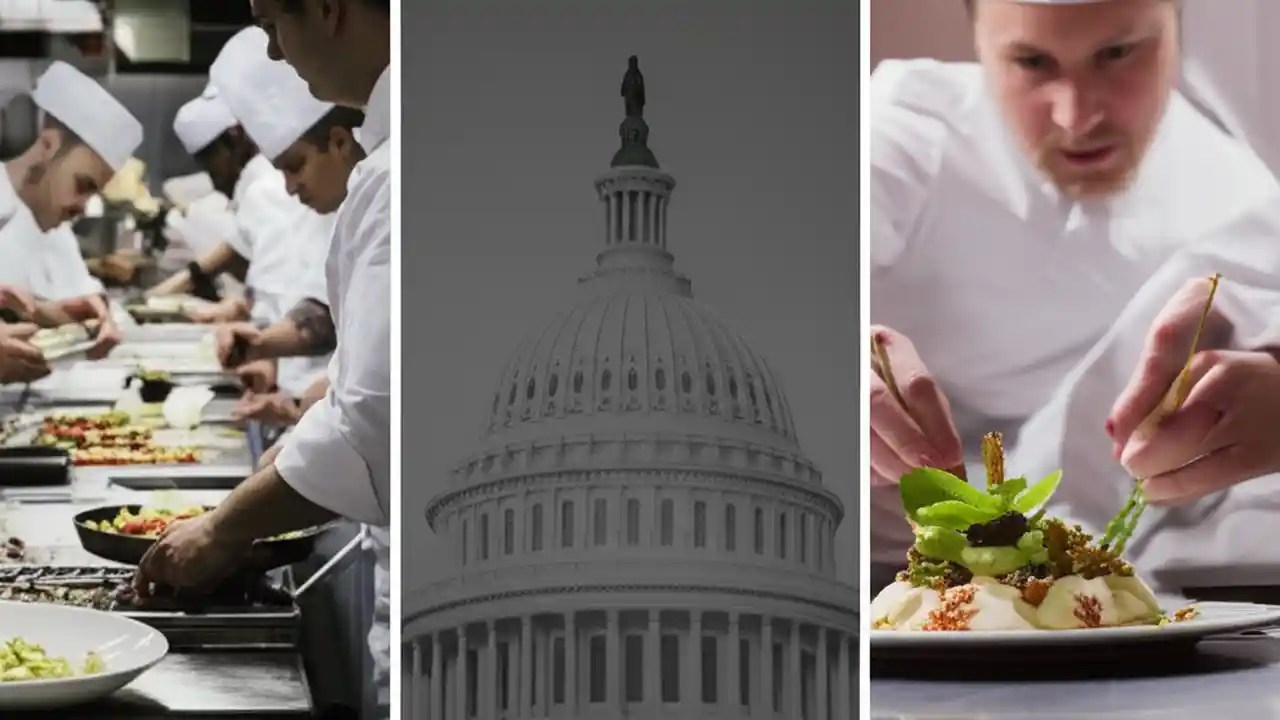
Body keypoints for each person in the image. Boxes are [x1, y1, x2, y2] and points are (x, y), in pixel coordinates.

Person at [869, 0, 1280, 590]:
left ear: (1179, 23)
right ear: (978, 44)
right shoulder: (906, 130)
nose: (1077, 116)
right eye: (1032, 62)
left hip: (1119, 578)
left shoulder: (1244, 185)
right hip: (887, 582)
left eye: (1117, 54)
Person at [134, 0, 391, 708]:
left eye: (274, 22)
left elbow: (375, 419)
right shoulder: (393, 159)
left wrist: (223, 529)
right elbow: (361, 395)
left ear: (329, 10)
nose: (275, 51)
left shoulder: (399, 173)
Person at [0, 61, 142, 363]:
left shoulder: (56, 230)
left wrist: (91, 316)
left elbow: (81, 296)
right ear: (47, 146)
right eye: (83, 185)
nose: (83, 205)